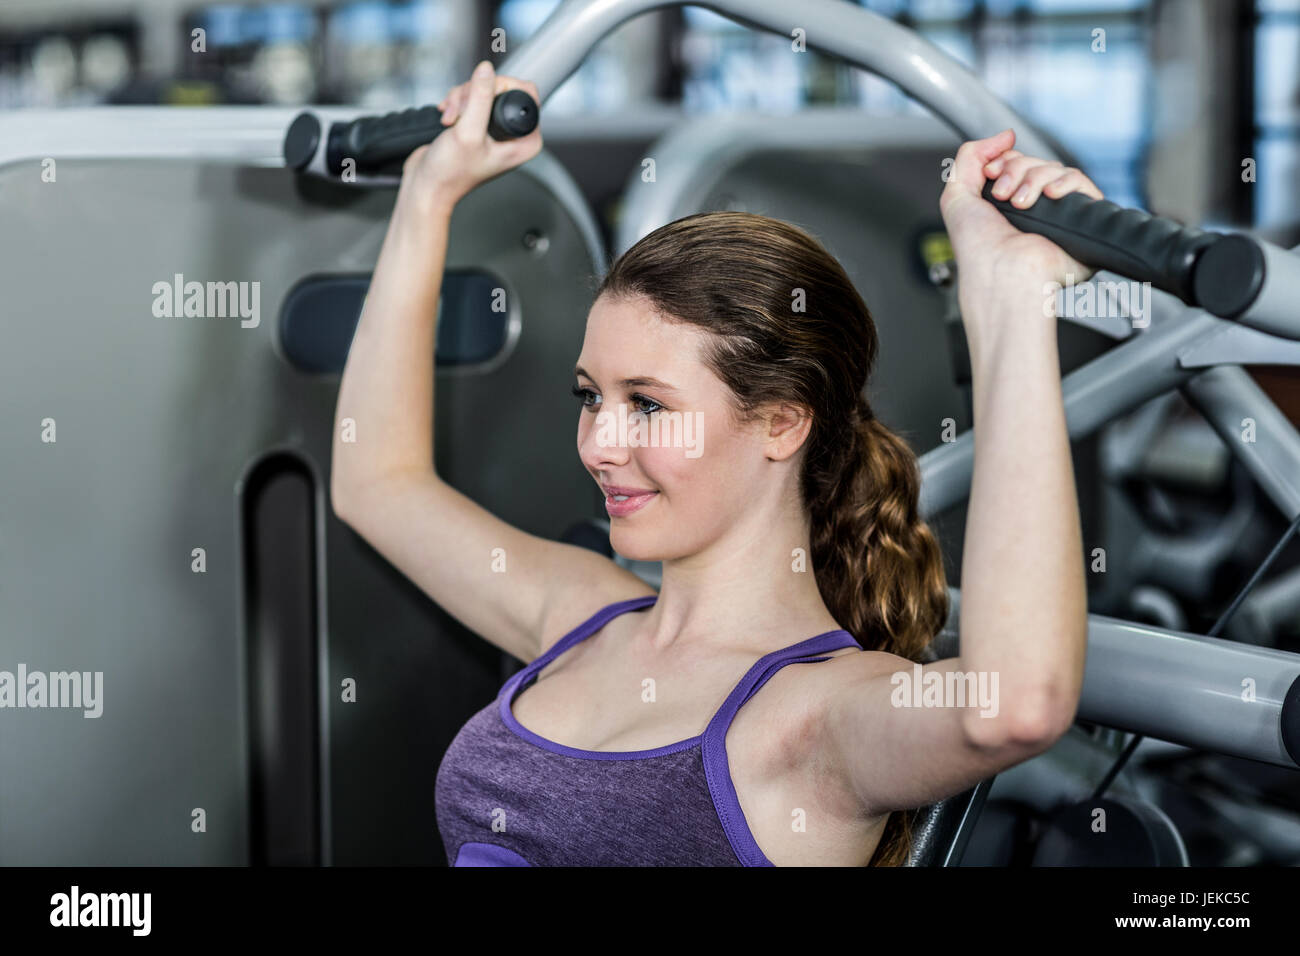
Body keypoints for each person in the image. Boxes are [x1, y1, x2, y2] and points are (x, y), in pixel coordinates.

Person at [330, 59, 1094, 866]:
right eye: (591, 396)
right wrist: (429, 195)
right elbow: (376, 481)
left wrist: (1008, 300)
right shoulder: (581, 613)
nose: (599, 444)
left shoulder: (814, 717)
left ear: (781, 423)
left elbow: (1015, 705)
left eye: (648, 404)